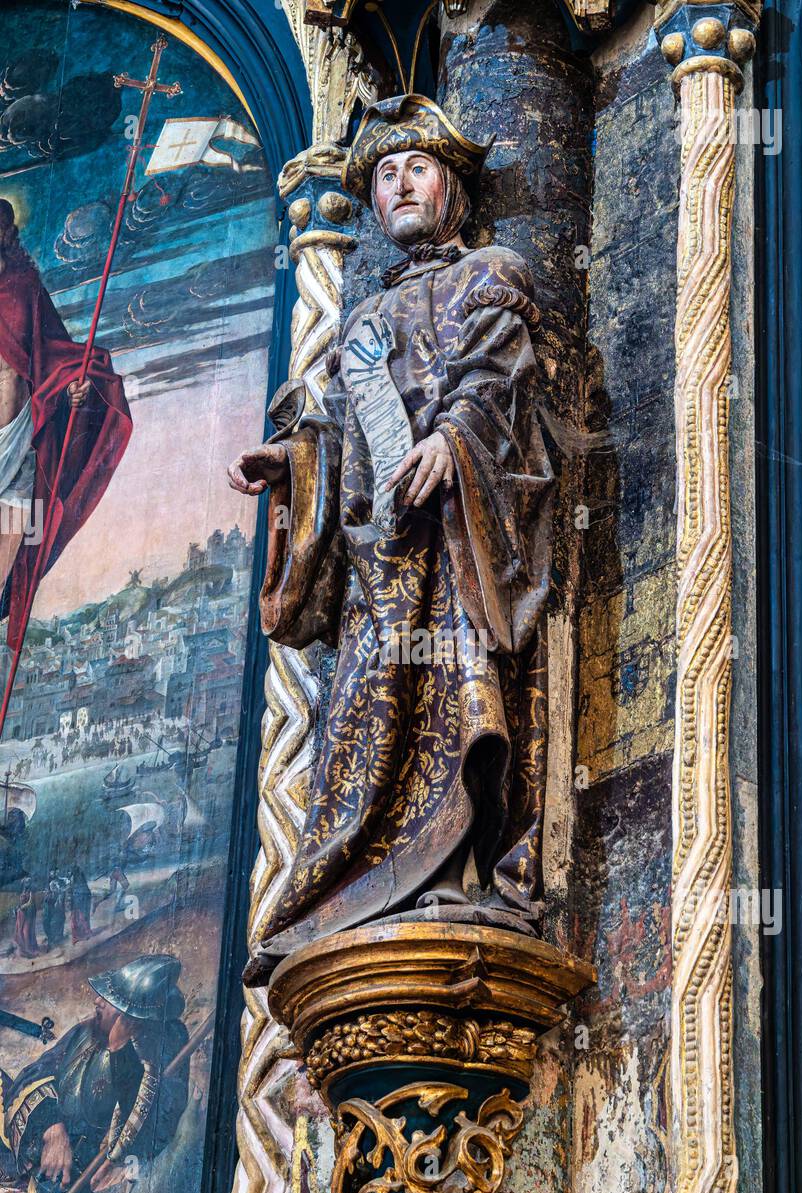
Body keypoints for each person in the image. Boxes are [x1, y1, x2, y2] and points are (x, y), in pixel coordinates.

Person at [229, 95, 554, 984]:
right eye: (383, 176)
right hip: (382, 566)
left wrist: (452, 443)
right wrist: (292, 460)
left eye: (418, 169)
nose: (400, 186)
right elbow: (333, 426)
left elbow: (500, 378)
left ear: (452, 186)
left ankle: (458, 873)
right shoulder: (363, 322)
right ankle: (359, 893)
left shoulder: (490, 274)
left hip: (455, 551)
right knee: (366, 723)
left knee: (461, 701)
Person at [0, 955, 190, 1193]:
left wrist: (119, 1049)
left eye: (109, 999)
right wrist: (51, 1128)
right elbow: (36, 1073)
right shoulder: (85, 1034)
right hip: (35, 1163)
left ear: (130, 1018)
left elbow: (147, 1124)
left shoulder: (157, 1049)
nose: (97, 1001)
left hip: (74, 1188)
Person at [0, 200, 131, 647]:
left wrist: (79, 389)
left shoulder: (23, 288)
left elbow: (58, 356)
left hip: (23, 435)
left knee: (14, 544)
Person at [67, 865, 93, 943]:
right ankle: (78, 936)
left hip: (79, 903)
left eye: (70, 873)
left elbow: (85, 893)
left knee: (81, 919)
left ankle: (83, 935)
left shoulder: (79, 880)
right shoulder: (74, 881)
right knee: (76, 920)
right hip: (76, 903)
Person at [13, 875, 37, 957]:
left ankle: (28, 949)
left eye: (28, 882)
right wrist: (18, 908)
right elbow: (20, 902)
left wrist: (21, 907)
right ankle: (23, 950)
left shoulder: (31, 891)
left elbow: (30, 902)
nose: (27, 883)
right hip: (22, 913)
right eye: (25, 882)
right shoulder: (22, 891)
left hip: (29, 913)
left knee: (26, 931)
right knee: (20, 930)